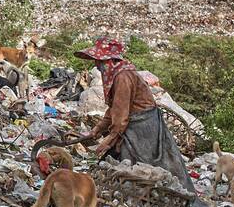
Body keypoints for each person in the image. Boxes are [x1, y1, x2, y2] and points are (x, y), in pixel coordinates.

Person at [76, 37, 191, 189]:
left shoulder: (123, 77)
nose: (97, 65)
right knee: (128, 165)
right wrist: (97, 130)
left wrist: (108, 140)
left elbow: (121, 116)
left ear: (110, 61)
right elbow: (114, 109)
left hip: (144, 129)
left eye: (99, 61)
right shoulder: (118, 75)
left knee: (151, 169)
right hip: (136, 126)